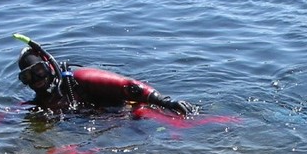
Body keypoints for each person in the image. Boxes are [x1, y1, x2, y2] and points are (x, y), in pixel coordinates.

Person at [14, 33, 195, 115]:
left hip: (129, 113)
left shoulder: (79, 78)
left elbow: (128, 86)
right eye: (28, 76)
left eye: (39, 71)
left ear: (49, 66)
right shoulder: (38, 103)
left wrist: (166, 102)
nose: (37, 80)